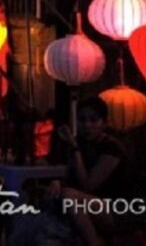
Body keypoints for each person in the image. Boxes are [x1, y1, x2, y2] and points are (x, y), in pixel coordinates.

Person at [47, 97, 132, 246]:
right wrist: (57, 183)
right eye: (82, 120)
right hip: (90, 204)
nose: (87, 125)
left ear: (104, 123)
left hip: (118, 209)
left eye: (93, 120)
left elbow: (88, 185)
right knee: (51, 196)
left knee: (68, 197)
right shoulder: (80, 142)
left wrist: (75, 149)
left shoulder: (112, 147)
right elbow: (70, 179)